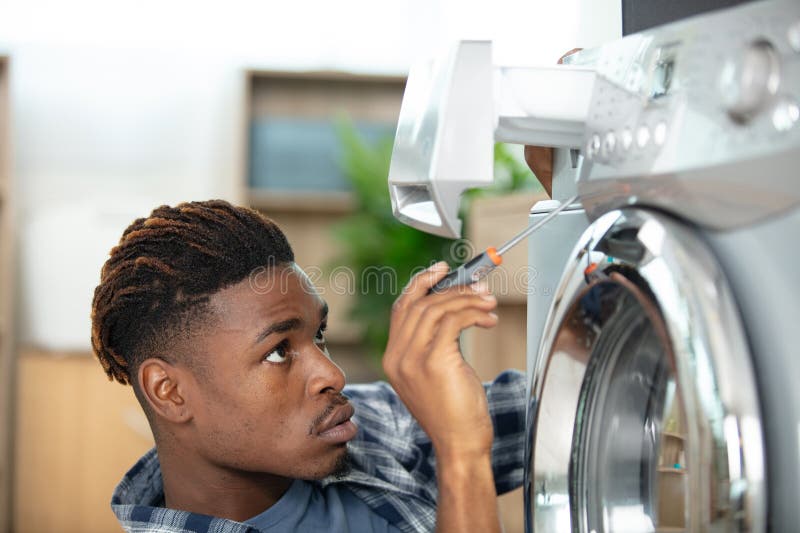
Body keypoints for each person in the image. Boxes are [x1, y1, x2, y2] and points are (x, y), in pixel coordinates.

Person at [91, 200, 527, 533]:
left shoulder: (359, 426)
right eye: (279, 351)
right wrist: (462, 457)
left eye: (317, 335)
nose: (332, 376)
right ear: (169, 391)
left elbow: (560, 413)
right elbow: (464, 441)